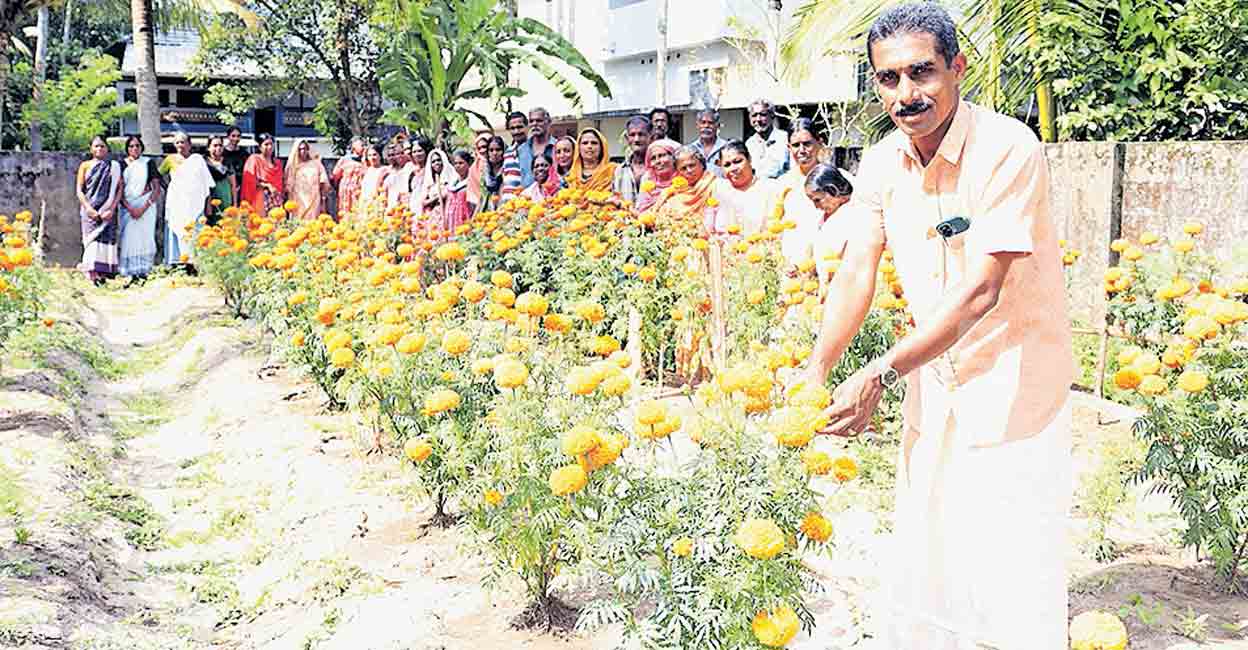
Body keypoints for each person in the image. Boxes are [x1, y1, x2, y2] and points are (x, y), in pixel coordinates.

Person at [799, 4, 1073, 648]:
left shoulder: (1007, 148)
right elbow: (856, 271)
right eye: (888, 79)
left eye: (922, 73)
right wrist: (817, 366)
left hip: (1014, 382)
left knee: (1012, 563)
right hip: (936, 379)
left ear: (958, 68)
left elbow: (980, 290)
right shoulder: (882, 162)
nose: (906, 95)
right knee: (933, 551)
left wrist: (878, 372)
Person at [776, 118, 829, 268]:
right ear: (788, 147)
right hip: (793, 268)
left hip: (829, 263)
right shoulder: (782, 184)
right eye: (795, 145)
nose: (802, 150)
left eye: (807, 144)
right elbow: (774, 225)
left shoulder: (837, 178)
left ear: (819, 142)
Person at [163, 132, 215, 267]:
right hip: (177, 202)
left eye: (183, 142)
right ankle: (179, 262)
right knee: (178, 228)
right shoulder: (170, 159)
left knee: (196, 231)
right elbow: (157, 175)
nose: (180, 145)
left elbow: (206, 183)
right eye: (177, 142)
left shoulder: (198, 160)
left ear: (189, 144)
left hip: (196, 203)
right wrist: (169, 187)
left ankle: (196, 263)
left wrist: (208, 204)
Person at [76, 135, 122, 285]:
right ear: (91, 148)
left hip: (108, 211)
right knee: (92, 242)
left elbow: (119, 189)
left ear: (107, 148)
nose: (99, 149)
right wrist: (88, 209)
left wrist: (112, 209)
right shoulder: (85, 165)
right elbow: (79, 190)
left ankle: (103, 275)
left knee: (106, 241)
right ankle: (91, 273)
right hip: (90, 211)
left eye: (102, 146)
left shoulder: (114, 166)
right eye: (96, 146)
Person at [709, 140, 776, 238]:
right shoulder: (718, 189)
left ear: (749, 159)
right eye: (727, 165)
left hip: (761, 249)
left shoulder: (769, 187)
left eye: (737, 161)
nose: (733, 168)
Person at [117, 135, 160, 283]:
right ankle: (129, 271)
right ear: (127, 149)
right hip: (128, 207)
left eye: (137, 146)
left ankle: (144, 270)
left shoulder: (148, 163)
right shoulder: (121, 164)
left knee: (145, 237)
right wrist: (130, 208)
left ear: (142, 148)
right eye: (131, 146)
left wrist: (144, 206)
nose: (134, 149)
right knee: (128, 238)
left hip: (146, 206)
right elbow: (119, 189)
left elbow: (156, 188)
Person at [803, 163, 855, 281]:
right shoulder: (826, 214)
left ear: (833, 190)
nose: (816, 206)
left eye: (817, 200)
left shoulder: (853, 214)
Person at [645, 145, 716, 232]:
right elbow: (654, 216)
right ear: (678, 172)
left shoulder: (715, 186)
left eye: (692, 165)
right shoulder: (671, 193)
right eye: (683, 168)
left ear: (702, 164)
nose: (689, 171)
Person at [284, 139, 330, 220]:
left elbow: (323, 181)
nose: (303, 151)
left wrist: (323, 199)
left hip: (314, 198)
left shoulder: (316, 164)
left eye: (305, 148)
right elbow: (288, 186)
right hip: (298, 199)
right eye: (300, 149)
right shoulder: (293, 166)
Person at [746, 99, 790, 179]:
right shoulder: (749, 144)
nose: (758, 119)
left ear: (772, 116)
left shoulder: (785, 139)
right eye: (754, 115)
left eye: (763, 115)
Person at [633, 138, 681, 213]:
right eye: (653, 158)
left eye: (661, 155)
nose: (657, 161)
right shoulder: (647, 179)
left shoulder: (685, 178)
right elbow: (639, 210)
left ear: (674, 157)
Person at [612, 115, 652, 204]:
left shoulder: (658, 168)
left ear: (650, 137)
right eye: (632, 135)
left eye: (641, 134)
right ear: (627, 138)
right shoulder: (619, 170)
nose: (636, 139)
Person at [241, 133, 284, 213]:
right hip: (260, 197)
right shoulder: (254, 159)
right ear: (260, 147)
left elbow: (280, 182)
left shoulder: (277, 163)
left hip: (276, 198)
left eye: (271, 144)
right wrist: (267, 185)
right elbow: (250, 180)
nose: (270, 147)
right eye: (266, 144)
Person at [567, 128, 617, 193]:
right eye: (585, 143)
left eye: (594, 143)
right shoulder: (572, 174)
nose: (589, 146)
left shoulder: (613, 171)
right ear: (578, 148)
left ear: (602, 147)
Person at [516, 107, 554, 187]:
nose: (534, 124)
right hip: (526, 198)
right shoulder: (521, 150)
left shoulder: (558, 148)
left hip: (554, 197)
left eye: (539, 121)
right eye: (531, 121)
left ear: (549, 122)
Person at [331, 136, 368, 219]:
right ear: (353, 146)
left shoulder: (367, 160)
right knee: (345, 213)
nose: (363, 147)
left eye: (364, 145)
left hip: (360, 192)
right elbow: (335, 176)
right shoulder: (344, 160)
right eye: (361, 145)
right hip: (346, 192)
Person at [204, 135, 236, 226]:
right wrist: (208, 206)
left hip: (226, 199)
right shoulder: (204, 163)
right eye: (215, 145)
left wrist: (234, 205)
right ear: (208, 147)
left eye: (220, 145)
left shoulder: (227, 162)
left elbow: (233, 185)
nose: (218, 148)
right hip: (210, 200)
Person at [689, 110, 729, 178]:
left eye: (711, 123)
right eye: (703, 122)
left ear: (718, 126)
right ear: (697, 125)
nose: (706, 126)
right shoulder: (690, 149)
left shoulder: (727, 147)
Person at [500, 111, 529, 201]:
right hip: (507, 205)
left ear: (527, 127)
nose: (516, 131)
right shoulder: (508, 152)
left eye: (519, 127)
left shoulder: (532, 149)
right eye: (512, 128)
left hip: (524, 204)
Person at [357, 145, 390, 220]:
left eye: (375, 155)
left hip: (378, 202)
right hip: (365, 202)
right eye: (369, 155)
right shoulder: (366, 171)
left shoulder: (385, 170)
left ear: (380, 156)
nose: (372, 158)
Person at [477, 136, 506, 212]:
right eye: (491, 150)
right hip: (487, 212)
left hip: (505, 208)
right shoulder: (485, 171)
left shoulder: (508, 169)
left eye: (498, 150)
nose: (495, 153)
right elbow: (482, 196)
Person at [405, 136, 432, 215]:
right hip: (414, 209)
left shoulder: (432, 169)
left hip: (428, 209)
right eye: (414, 152)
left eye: (420, 151)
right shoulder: (412, 172)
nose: (417, 154)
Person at [222, 126, 250, 204]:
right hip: (227, 186)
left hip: (242, 186)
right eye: (233, 136)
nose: (236, 138)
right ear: (228, 137)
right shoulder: (223, 153)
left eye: (238, 136)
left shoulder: (244, 153)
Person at [466, 131, 492, 209]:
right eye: (479, 148)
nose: (482, 150)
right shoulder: (474, 168)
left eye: (484, 146)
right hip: (480, 206)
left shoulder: (499, 162)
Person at [382, 140, 410, 211]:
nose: (400, 156)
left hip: (407, 202)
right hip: (392, 203)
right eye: (397, 154)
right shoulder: (387, 171)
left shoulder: (410, 167)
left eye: (402, 153)